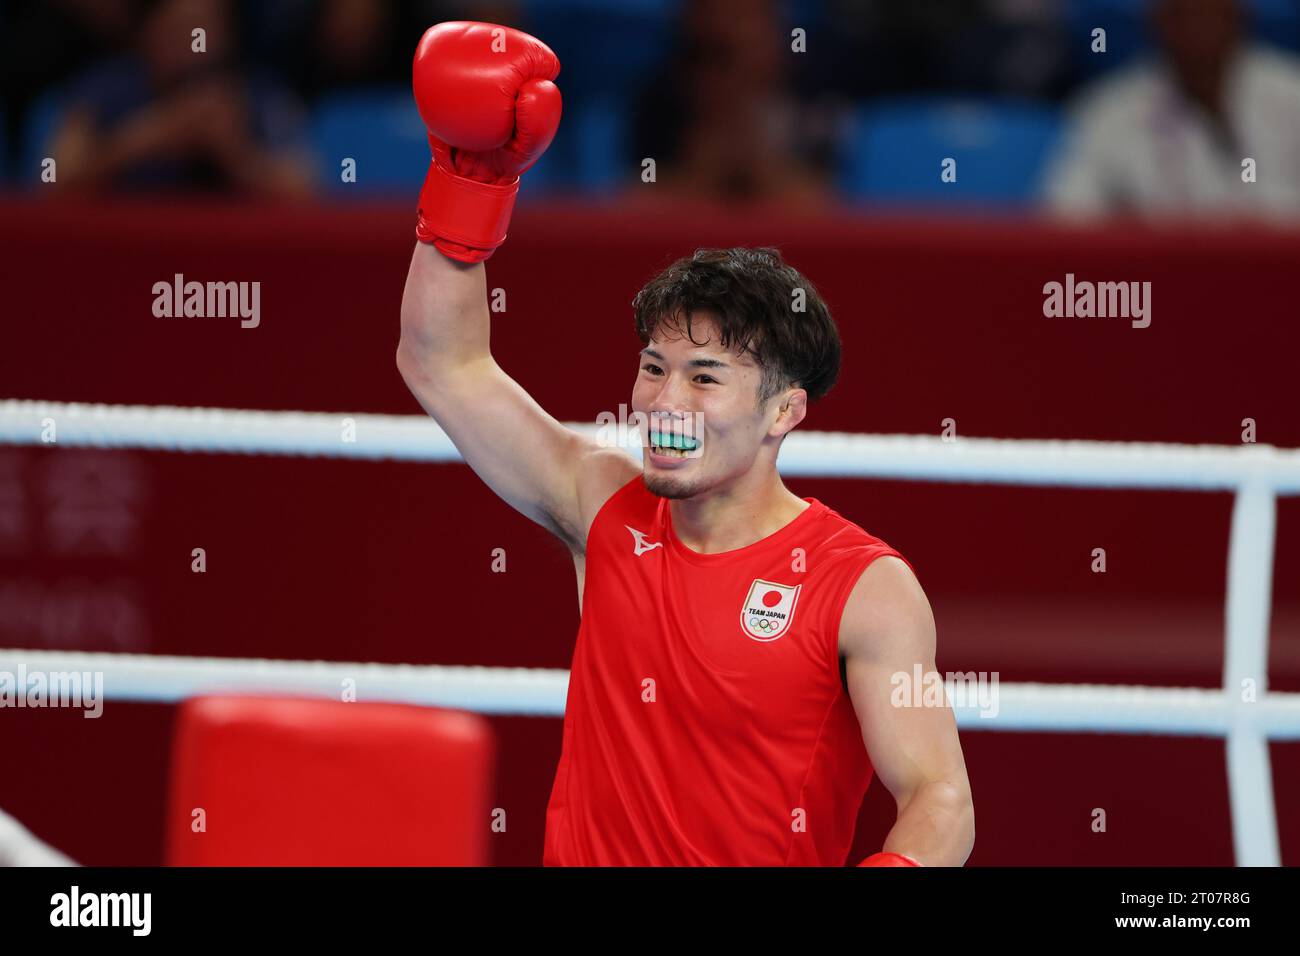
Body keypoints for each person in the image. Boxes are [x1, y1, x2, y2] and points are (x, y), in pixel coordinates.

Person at [397, 21, 975, 866]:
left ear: (784, 411)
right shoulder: (598, 502)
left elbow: (940, 796)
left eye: (704, 377)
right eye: (653, 367)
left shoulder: (867, 588)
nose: (664, 401)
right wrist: (468, 179)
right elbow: (441, 362)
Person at [1043, 0, 1300, 219]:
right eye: (1184, 15)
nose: (1198, 30)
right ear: (1157, 23)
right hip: (1163, 272)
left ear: (1240, 18)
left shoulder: (1293, 94)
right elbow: (1069, 219)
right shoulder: (1109, 112)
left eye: (1209, 14)